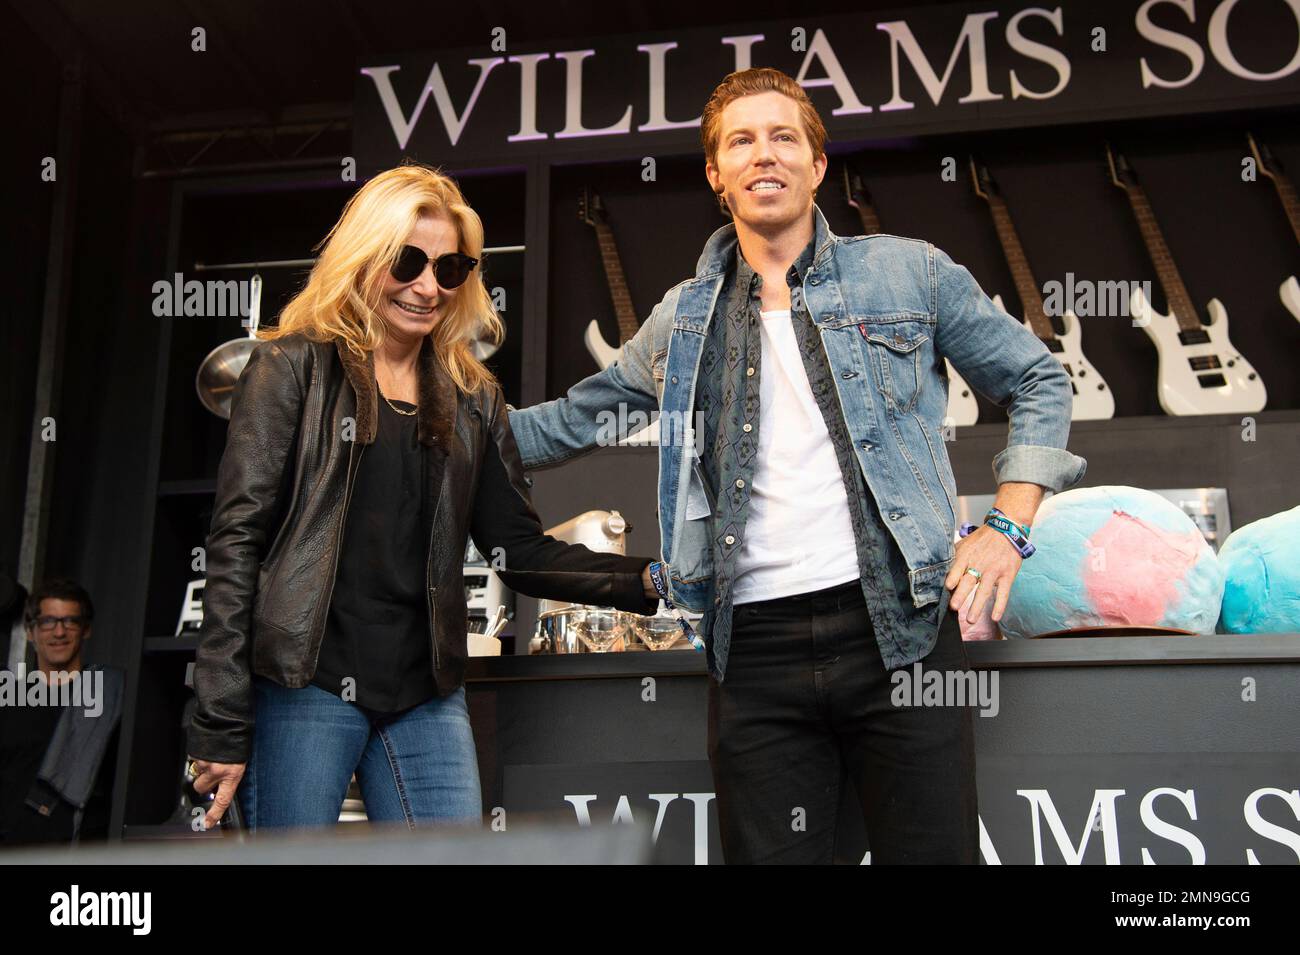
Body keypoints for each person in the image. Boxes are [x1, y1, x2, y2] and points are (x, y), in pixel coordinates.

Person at [508, 68, 1087, 863]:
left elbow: (1037, 377)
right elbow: (567, 422)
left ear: (818, 163)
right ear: (716, 174)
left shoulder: (909, 271)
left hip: (903, 632)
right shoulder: (684, 318)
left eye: (785, 137)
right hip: (752, 649)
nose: (764, 155)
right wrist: (431, 423)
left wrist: (1007, 527)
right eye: (740, 141)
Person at [188, 164, 659, 832]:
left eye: (450, 268)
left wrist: (653, 577)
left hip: (423, 691)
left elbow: (517, 550)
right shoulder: (291, 366)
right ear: (364, 257)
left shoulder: (474, 397)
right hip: (303, 682)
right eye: (407, 261)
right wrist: (219, 719)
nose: (427, 285)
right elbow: (236, 543)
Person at [0, 577, 122, 846]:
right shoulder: (7, 698)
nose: (59, 632)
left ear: (86, 629)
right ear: (30, 632)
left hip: (77, 852)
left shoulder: (107, 694)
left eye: (70, 622)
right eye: (47, 622)